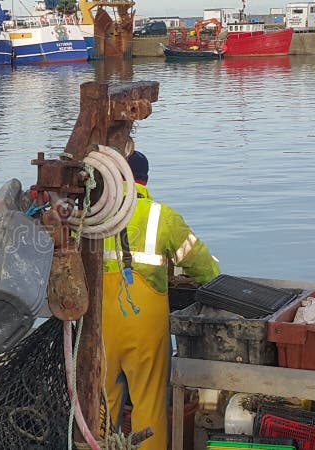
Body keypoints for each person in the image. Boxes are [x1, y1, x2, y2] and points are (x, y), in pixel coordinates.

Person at [101, 150, 220, 450]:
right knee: (149, 403)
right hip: (145, 327)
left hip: (101, 325)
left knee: (101, 405)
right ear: (144, 180)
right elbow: (205, 267)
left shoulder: (94, 216)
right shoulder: (162, 217)